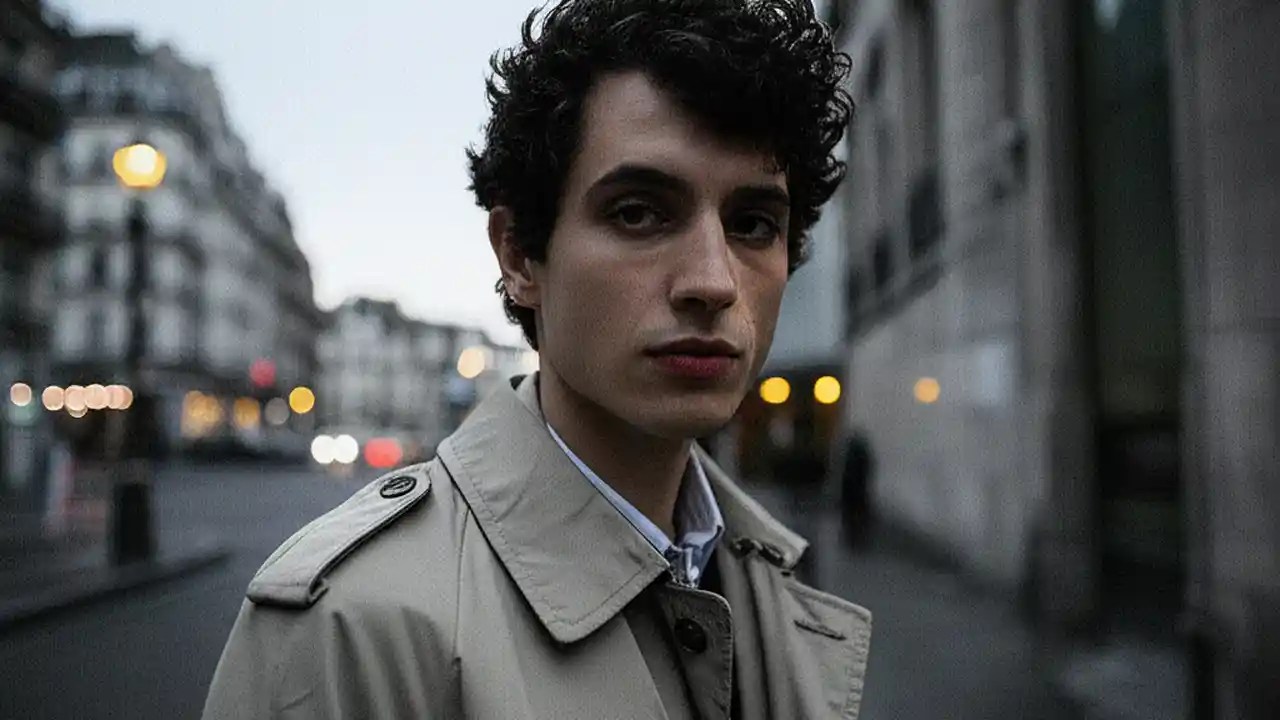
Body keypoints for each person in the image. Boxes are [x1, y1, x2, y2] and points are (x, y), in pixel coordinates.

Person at [202, 1, 869, 717]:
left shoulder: (771, 578)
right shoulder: (351, 624)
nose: (712, 280)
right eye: (638, 212)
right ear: (520, 254)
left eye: (752, 224)